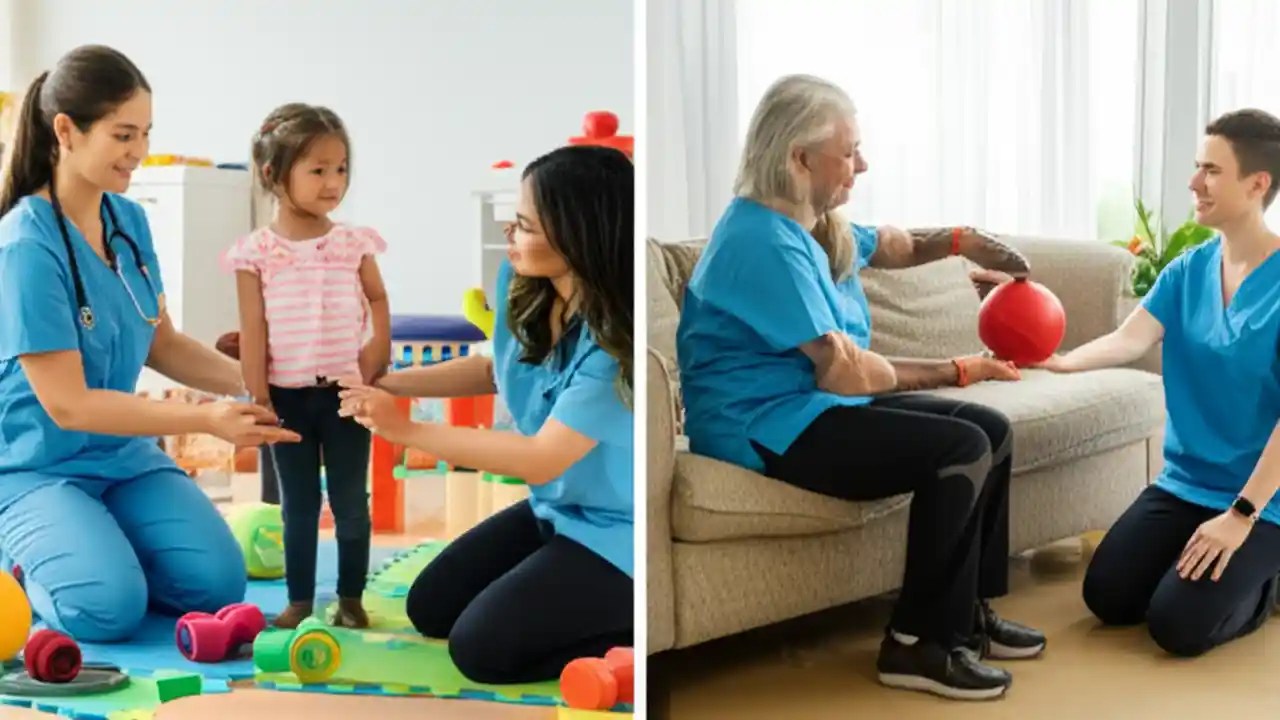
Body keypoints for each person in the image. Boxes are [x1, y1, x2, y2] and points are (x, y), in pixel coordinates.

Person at [675, 73, 1046, 701]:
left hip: (809, 409)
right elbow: (846, 371)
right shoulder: (760, 242)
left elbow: (892, 245)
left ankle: (966, 619)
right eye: (849, 153)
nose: (861, 165)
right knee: (959, 448)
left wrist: (963, 239)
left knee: (993, 430)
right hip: (762, 427)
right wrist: (961, 368)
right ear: (799, 157)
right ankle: (915, 644)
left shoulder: (813, 225)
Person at [0, 44, 299, 642]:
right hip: (35, 465)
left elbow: (161, 344)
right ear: (67, 131)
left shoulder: (127, 224)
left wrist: (264, 382)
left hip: (121, 456)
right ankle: (28, 555)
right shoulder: (24, 245)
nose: (138, 151)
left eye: (145, 133)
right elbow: (70, 405)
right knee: (105, 609)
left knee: (217, 584)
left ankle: (96, 541)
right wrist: (209, 419)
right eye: (123, 134)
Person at [337, 144, 634, 684]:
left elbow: (542, 458)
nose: (509, 233)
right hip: (556, 513)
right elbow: (494, 369)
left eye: (524, 224)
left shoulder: (617, 345)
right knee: (431, 609)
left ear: (578, 233)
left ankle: (635, 632)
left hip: (620, 532)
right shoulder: (527, 288)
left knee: (481, 651)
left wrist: (406, 428)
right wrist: (384, 382)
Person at [1035, 108, 1280, 658]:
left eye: (1211, 170)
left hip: (1264, 500)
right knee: (1110, 597)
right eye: (1197, 167)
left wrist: (1240, 517)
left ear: (1257, 184)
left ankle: (1270, 580)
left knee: (1177, 627)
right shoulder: (1188, 271)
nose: (1194, 182)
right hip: (1186, 483)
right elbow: (1128, 339)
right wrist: (1056, 360)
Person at [222, 103, 390, 629]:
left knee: (349, 501)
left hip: (343, 394)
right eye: (317, 170)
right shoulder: (256, 254)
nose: (332, 182)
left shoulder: (352, 244)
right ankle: (298, 600)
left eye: (340, 169)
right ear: (274, 174)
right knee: (298, 504)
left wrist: (374, 354)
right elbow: (255, 329)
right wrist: (258, 397)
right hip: (287, 396)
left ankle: (351, 598)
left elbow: (378, 301)